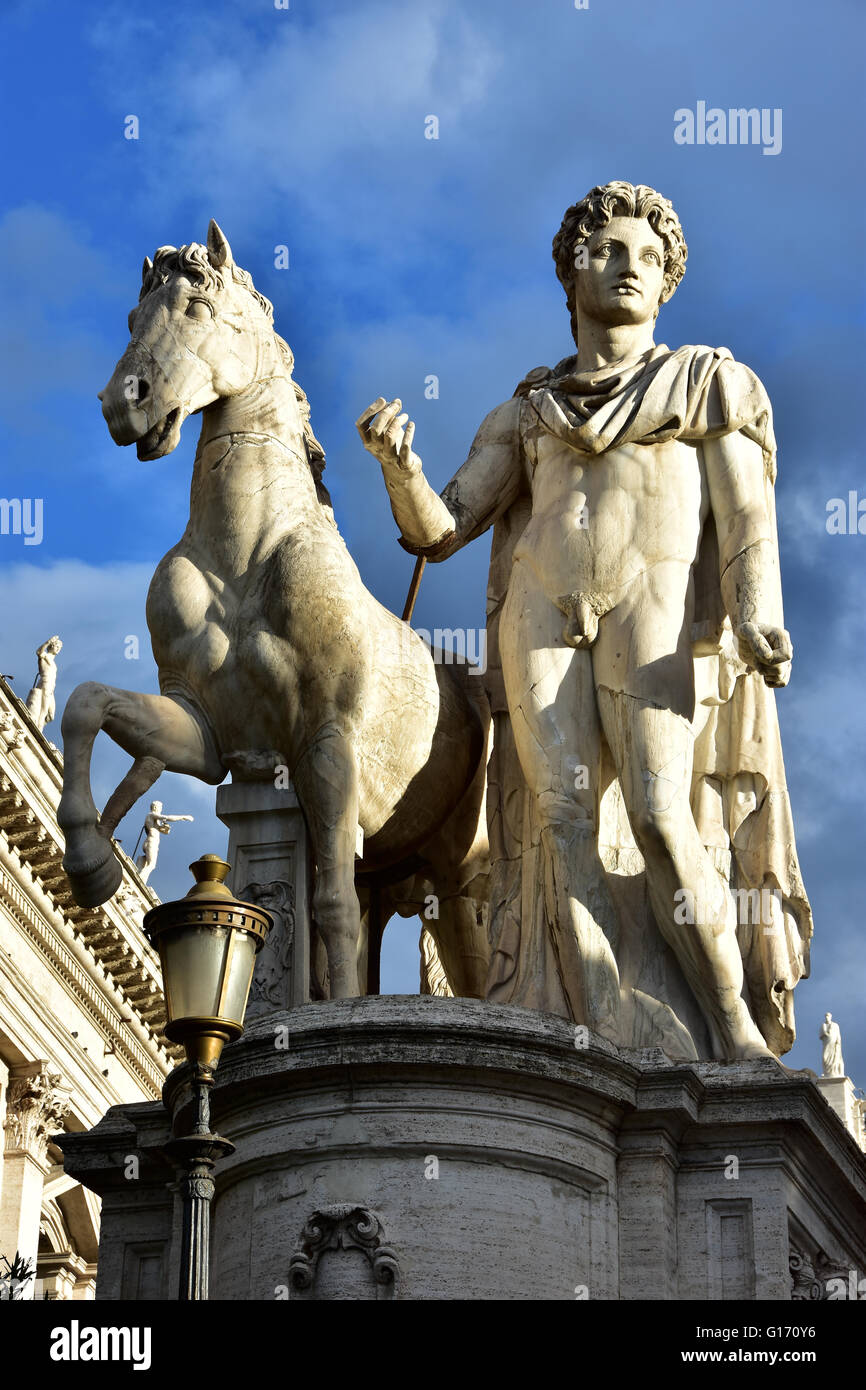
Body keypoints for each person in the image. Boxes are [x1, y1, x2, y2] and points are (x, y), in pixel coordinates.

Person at [357, 181, 812, 1061]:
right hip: (541, 602)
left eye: (648, 257)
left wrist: (757, 616)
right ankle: (598, 1033)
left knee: (658, 814)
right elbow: (440, 530)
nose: (628, 268)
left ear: (668, 279)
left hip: (654, 598)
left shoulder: (708, 382)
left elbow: (747, 514)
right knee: (557, 822)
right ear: (572, 273)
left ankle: (731, 1030)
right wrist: (395, 466)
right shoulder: (528, 409)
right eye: (608, 251)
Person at [135, 799, 193, 884]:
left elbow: (164, 831)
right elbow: (167, 817)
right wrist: (183, 817)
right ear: (155, 807)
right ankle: (138, 881)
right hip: (151, 842)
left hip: (150, 842)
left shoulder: (154, 820)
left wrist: (166, 828)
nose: (160, 809)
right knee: (152, 865)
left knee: (145, 860)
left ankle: (139, 877)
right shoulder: (151, 815)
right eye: (160, 807)